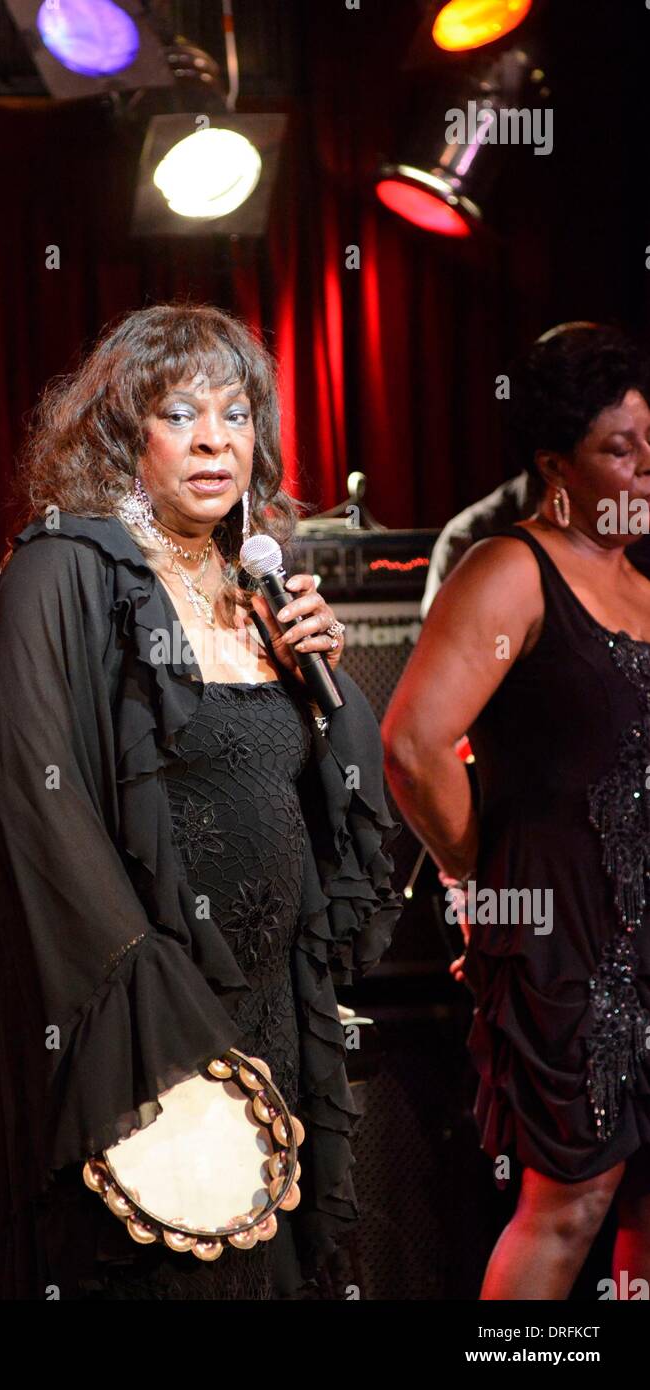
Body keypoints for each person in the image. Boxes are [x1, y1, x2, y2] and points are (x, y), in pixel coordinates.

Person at [0, 303, 402, 1300]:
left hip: (271, 1017)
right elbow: (43, 808)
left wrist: (324, 688)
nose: (215, 438)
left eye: (235, 413)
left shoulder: (253, 587)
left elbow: (330, 812)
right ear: (122, 433)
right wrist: (160, 1032)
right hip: (151, 1025)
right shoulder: (63, 570)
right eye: (179, 413)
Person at [382, 322, 650, 1299]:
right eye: (617, 449)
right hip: (564, 941)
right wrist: (479, 878)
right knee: (568, 1206)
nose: (644, 466)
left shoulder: (636, 581)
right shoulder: (509, 570)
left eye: (648, 442)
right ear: (555, 465)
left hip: (642, 928)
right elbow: (412, 745)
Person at [420, 324, 650, 618]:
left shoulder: (629, 551)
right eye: (621, 450)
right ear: (553, 467)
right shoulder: (479, 540)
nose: (647, 460)